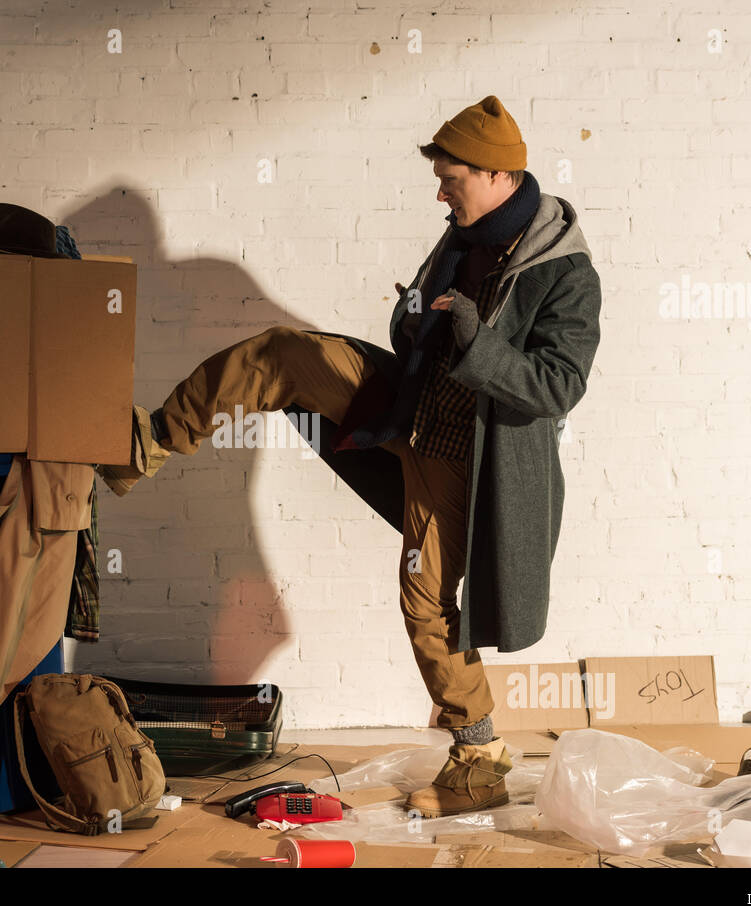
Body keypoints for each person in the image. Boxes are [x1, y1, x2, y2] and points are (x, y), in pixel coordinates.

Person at [98, 96, 602, 817]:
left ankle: (481, 755)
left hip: (470, 460)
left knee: (426, 604)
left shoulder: (564, 273)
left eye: (450, 177)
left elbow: (559, 385)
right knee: (282, 354)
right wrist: (416, 320)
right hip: (411, 409)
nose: (439, 190)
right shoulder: (466, 233)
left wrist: (470, 337)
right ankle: (148, 443)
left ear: (495, 174)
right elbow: (419, 333)